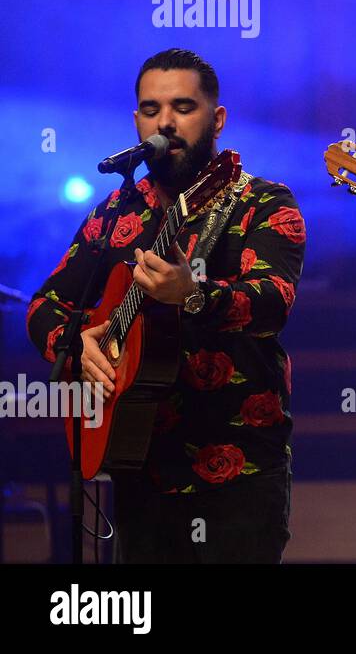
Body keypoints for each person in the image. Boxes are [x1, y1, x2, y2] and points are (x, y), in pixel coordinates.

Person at [27, 48, 305, 563]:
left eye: (183, 107)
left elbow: (272, 303)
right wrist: (79, 341)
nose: (166, 123)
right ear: (136, 120)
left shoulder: (261, 203)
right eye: (151, 110)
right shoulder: (115, 211)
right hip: (142, 464)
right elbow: (46, 303)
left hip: (237, 466)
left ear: (216, 119)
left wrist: (193, 294)